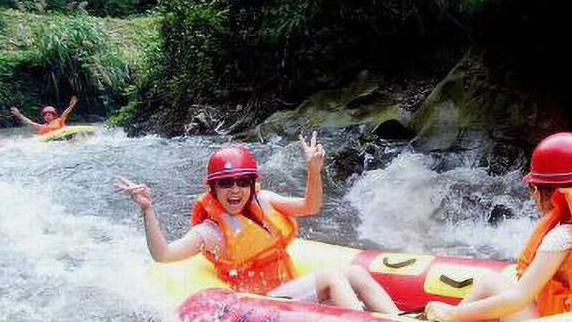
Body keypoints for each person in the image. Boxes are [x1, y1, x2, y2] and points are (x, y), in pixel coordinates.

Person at [116, 133, 398, 313]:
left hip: (289, 291)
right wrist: (147, 209)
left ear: (252, 184)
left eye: (242, 182)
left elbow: (310, 206)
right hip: (262, 304)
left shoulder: (265, 201)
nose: (235, 190)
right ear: (213, 189)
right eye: (226, 183)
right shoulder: (210, 232)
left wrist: (313, 171)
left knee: (356, 273)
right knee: (332, 277)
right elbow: (163, 255)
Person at [426, 132, 572, 321]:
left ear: (541, 190)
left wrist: (452, 314)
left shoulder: (562, 236)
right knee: (500, 279)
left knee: (491, 283)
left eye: (532, 188)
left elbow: (517, 299)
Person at [11, 95, 78, 135]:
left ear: (54, 116)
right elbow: (31, 123)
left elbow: (64, 114)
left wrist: (71, 105)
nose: (47, 116)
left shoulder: (59, 121)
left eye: (49, 114)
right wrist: (19, 115)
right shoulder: (43, 126)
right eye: (45, 115)